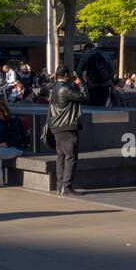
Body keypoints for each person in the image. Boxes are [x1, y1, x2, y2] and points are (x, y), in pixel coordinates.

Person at [46, 67, 88, 196]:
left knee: (61, 157)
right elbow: (84, 97)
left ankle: (60, 185)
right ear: (65, 75)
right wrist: (81, 84)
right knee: (70, 157)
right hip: (67, 127)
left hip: (57, 126)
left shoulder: (55, 87)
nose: (71, 76)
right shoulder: (65, 88)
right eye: (70, 74)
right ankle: (67, 186)